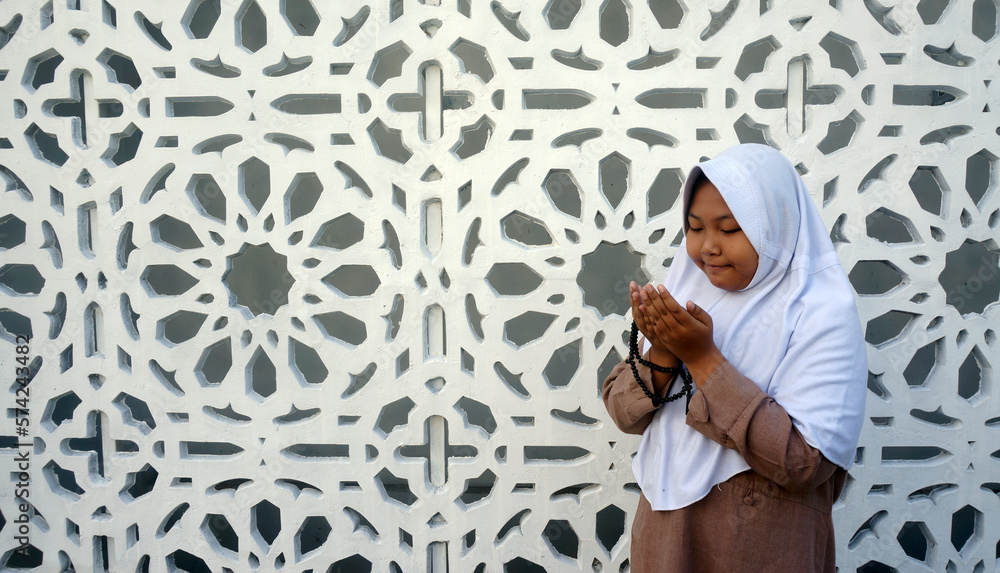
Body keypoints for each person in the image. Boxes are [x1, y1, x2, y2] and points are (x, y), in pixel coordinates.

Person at [602, 144, 867, 572]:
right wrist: (665, 349)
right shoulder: (690, 289)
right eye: (695, 227)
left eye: (729, 229)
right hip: (663, 536)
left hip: (756, 546)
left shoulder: (820, 312)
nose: (708, 247)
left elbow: (804, 463)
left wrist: (703, 359)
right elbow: (624, 414)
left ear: (774, 226)